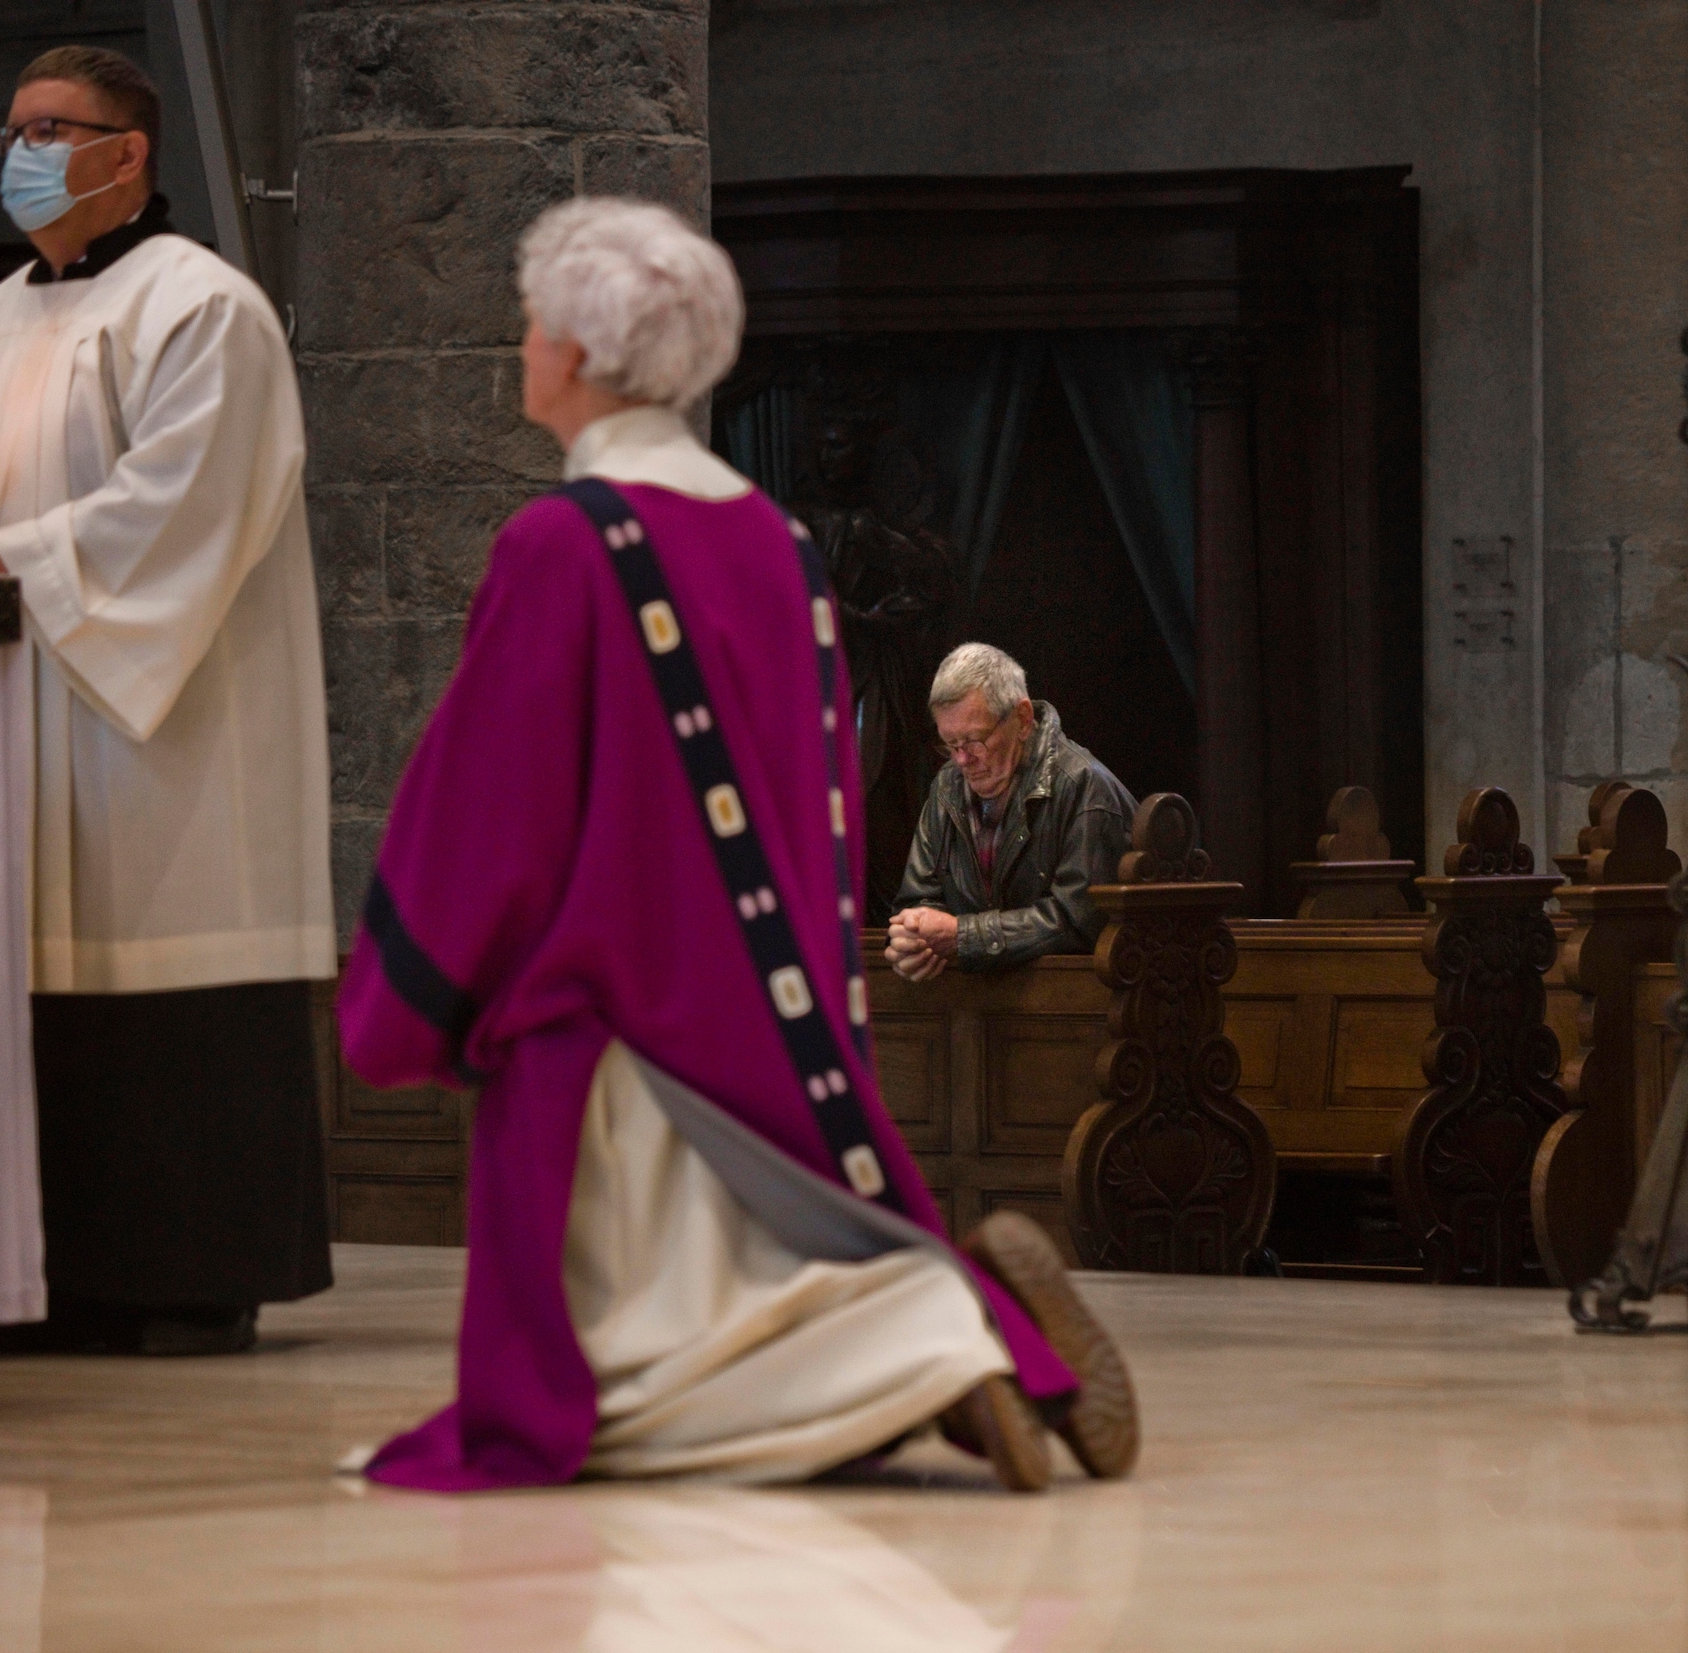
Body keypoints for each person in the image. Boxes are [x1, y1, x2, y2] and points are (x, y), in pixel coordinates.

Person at [338, 198, 1135, 1494]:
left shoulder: (564, 542)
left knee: (631, 1373)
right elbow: (820, 801)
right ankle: (947, 1335)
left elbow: (492, 795)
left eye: (535, 321)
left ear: (583, 355)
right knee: (753, 1277)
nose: (522, 345)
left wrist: (409, 991)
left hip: (611, 1024)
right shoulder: (778, 546)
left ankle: (926, 1352)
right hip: (762, 1026)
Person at [0, 46, 333, 1355]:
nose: (24, 153)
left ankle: (186, 1275)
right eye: (12, 131)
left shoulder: (203, 308)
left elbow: (189, 505)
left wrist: (15, 557)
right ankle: (38, 1278)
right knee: (26, 984)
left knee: (161, 988)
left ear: (129, 151)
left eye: (53, 129)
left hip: (169, 743)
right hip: (14, 726)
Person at [885, 644, 1137, 981]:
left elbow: (1079, 922)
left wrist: (962, 936)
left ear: (1022, 719)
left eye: (974, 740)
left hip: (1072, 1008)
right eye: (950, 744)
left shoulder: (1083, 786)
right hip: (974, 1007)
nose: (961, 760)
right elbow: (917, 899)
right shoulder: (947, 785)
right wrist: (912, 939)